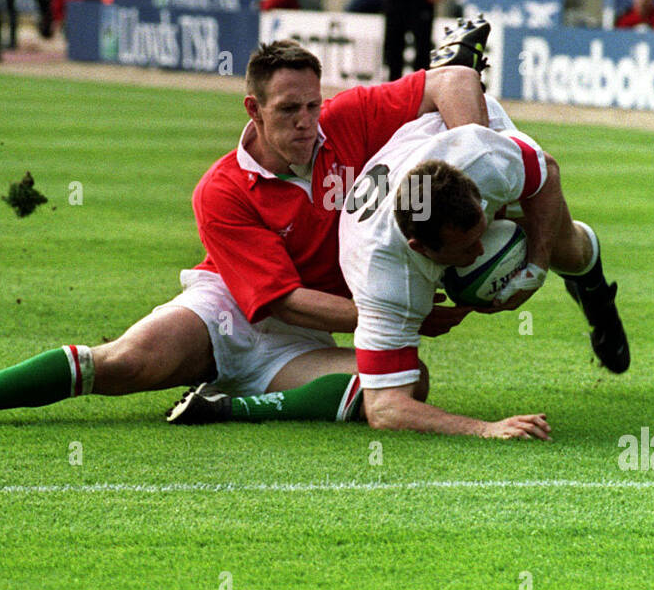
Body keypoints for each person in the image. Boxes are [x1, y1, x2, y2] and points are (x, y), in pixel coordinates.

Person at [0, 24, 493, 427]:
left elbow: (455, 77)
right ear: (253, 109)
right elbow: (280, 301)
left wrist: (482, 165)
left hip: (307, 341)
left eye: (313, 105)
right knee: (119, 364)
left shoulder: (348, 118)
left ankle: (231, 408)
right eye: (289, 111)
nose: (308, 123)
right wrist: (396, 313)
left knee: (404, 384)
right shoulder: (222, 189)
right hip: (231, 308)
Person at [168, 103, 630, 439]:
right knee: (408, 380)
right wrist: (485, 429)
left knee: (564, 243)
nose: (476, 252)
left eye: (481, 233)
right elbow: (386, 408)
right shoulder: (382, 276)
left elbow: (544, 171)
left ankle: (593, 289)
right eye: (463, 250)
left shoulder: (481, 159)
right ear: (419, 248)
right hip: (385, 228)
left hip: (446, 146)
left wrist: (536, 262)